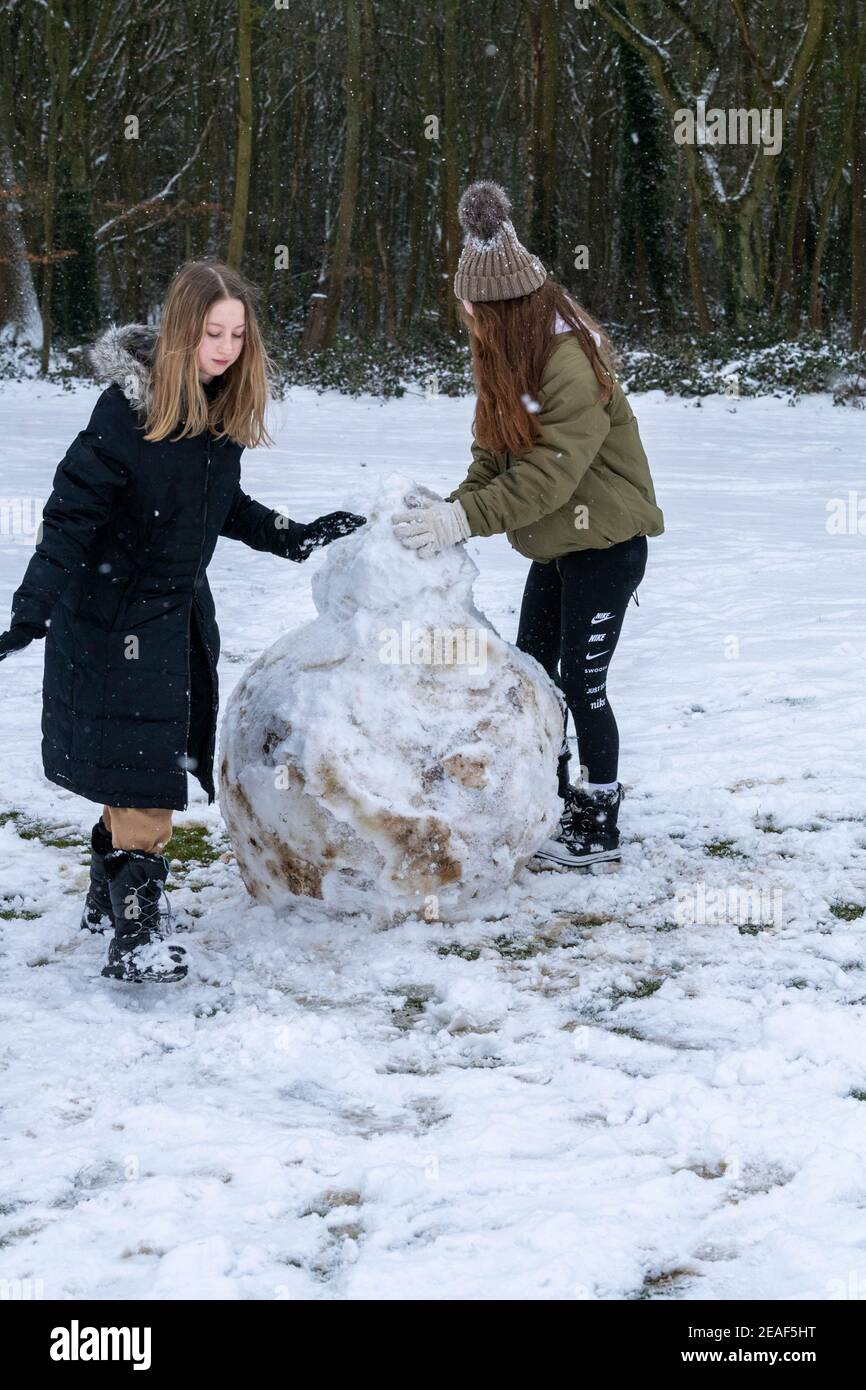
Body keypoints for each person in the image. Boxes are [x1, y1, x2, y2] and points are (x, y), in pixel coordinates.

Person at [0, 260, 366, 981]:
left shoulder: (213, 413)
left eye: (236, 333)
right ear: (179, 332)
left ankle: (112, 900)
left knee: (137, 769)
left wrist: (295, 534)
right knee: (145, 781)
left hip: (174, 621)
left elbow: (218, 505)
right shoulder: (126, 416)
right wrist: (29, 612)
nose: (225, 347)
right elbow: (69, 522)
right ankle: (134, 941)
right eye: (210, 333)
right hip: (113, 622)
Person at [393, 181, 663, 870]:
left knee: (582, 683)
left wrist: (466, 520)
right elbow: (494, 456)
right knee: (533, 678)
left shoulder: (567, 358)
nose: (465, 317)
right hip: (559, 546)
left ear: (501, 307)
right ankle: (548, 796)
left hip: (605, 546)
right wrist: (447, 510)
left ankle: (598, 819)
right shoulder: (505, 359)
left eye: (472, 307)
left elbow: (549, 475)